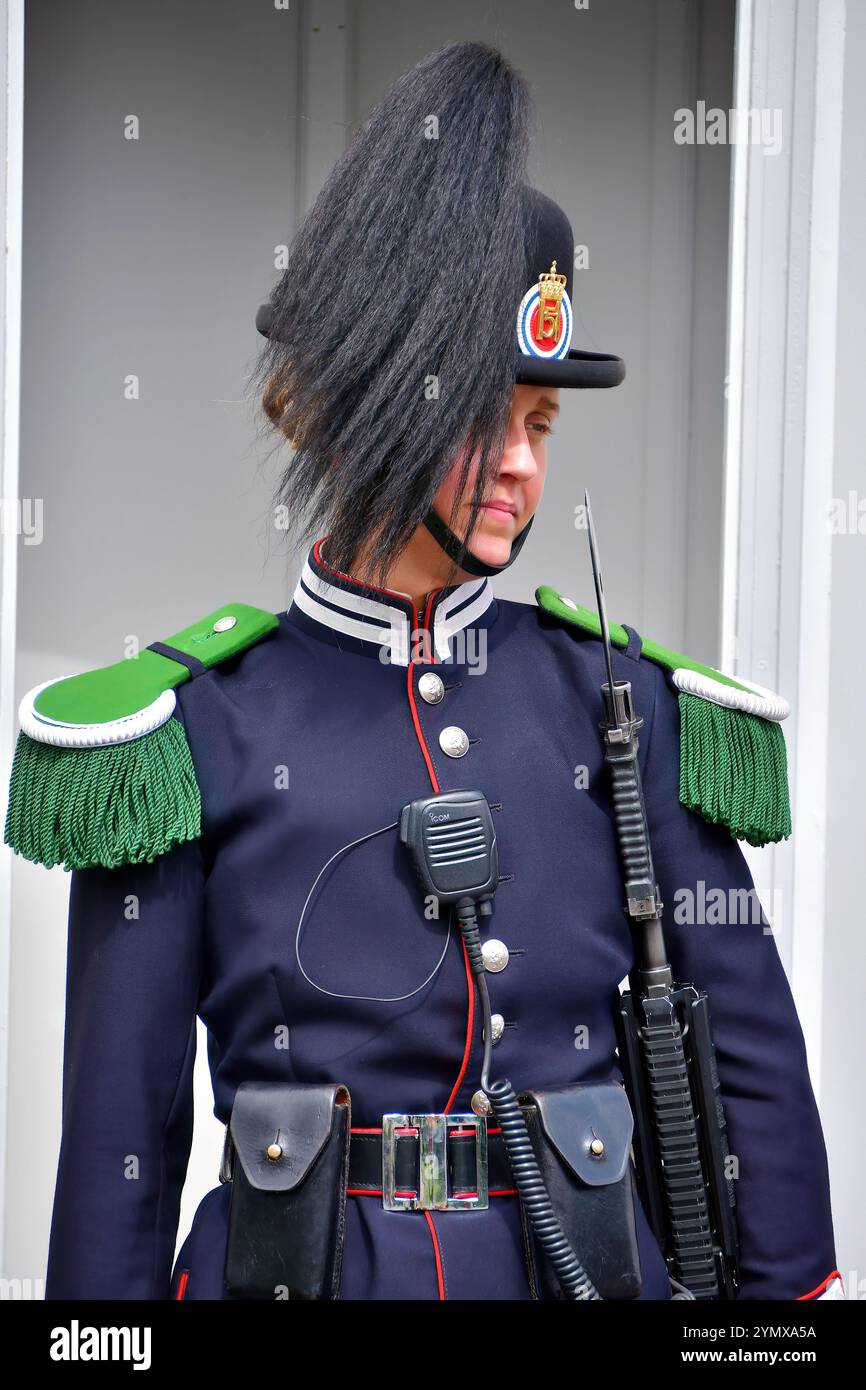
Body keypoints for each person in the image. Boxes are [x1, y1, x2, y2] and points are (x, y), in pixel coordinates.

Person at [3, 41, 840, 1302]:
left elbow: (757, 1070)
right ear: (374, 407)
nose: (521, 465)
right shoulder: (185, 737)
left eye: (541, 423)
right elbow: (120, 1148)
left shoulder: (623, 708)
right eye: (483, 418)